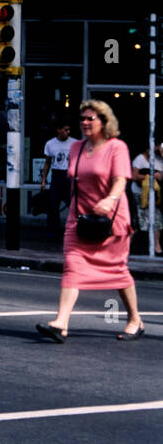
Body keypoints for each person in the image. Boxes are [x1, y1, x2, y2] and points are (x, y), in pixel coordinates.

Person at [36, 100, 145, 343]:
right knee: (72, 266)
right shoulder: (76, 147)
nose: (85, 122)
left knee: (118, 271)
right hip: (80, 219)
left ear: (105, 122)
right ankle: (61, 323)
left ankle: (135, 319)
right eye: (82, 119)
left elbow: (120, 180)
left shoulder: (117, 147)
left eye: (90, 118)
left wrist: (110, 199)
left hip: (111, 219)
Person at [39, 121, 75, 239]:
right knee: (53, 205)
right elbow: (48, 163)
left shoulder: (74, 143)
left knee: (73, 205)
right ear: (58, 130)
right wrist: (43, 180)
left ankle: (75, 231)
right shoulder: (50, 144)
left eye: (69, 130)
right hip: (57, 175)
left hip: (70, 174)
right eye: (65, 130)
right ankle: (53, 231)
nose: (67, 132)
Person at [132, 138, 163, 253]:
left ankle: (157, 247)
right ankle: (128, 246)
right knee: (140, 221)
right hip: (140, 194)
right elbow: (134, 176)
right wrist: (151, 177)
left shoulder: (159, 159)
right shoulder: (140, 159)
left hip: (155, 195)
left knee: (156, 219)